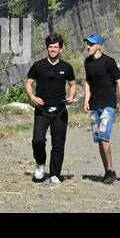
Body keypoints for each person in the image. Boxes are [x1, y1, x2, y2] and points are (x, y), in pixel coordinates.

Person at [25, 34, 77, 184]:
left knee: (58, 144)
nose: (53, 50)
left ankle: (55, 173)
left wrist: (72, 97)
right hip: (42, 110)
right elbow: (28, 83)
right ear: (47, 48)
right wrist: (32, 97)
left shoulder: (66, 67)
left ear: (60, 49)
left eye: (55, 47)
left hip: (60, 110)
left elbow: (73, 84)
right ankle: (40, 164)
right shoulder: (38, 65)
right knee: (38, 140)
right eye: (50, 47)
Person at [81, 34, 120, 184]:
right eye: (87, 44)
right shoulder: (87, 62)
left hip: (108, 104)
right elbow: (88, 82)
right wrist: (86, 99)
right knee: (99, 139)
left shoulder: (109, 62)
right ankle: (107, 171)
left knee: (104, 137)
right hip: (94, 105)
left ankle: (110, 170)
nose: (88, 47)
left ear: (99, 46)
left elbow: (119, 81)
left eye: (91, 44)